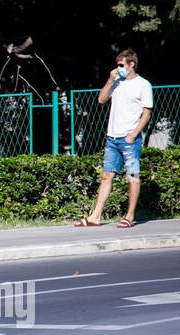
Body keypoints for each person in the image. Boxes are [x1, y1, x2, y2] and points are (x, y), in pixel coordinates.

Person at [76, 49, 153, 229]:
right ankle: (95, 216)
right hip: (112, 137)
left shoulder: (143, 85)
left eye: (121, 65)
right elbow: (101, 100)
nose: (118, 69)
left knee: (132, 176)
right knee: (106, 176)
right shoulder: (117, 82)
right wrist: (111, 80)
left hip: (129, 138)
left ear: (131, 64)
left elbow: (147, 113)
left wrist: (133, 135)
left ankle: (130, 216)